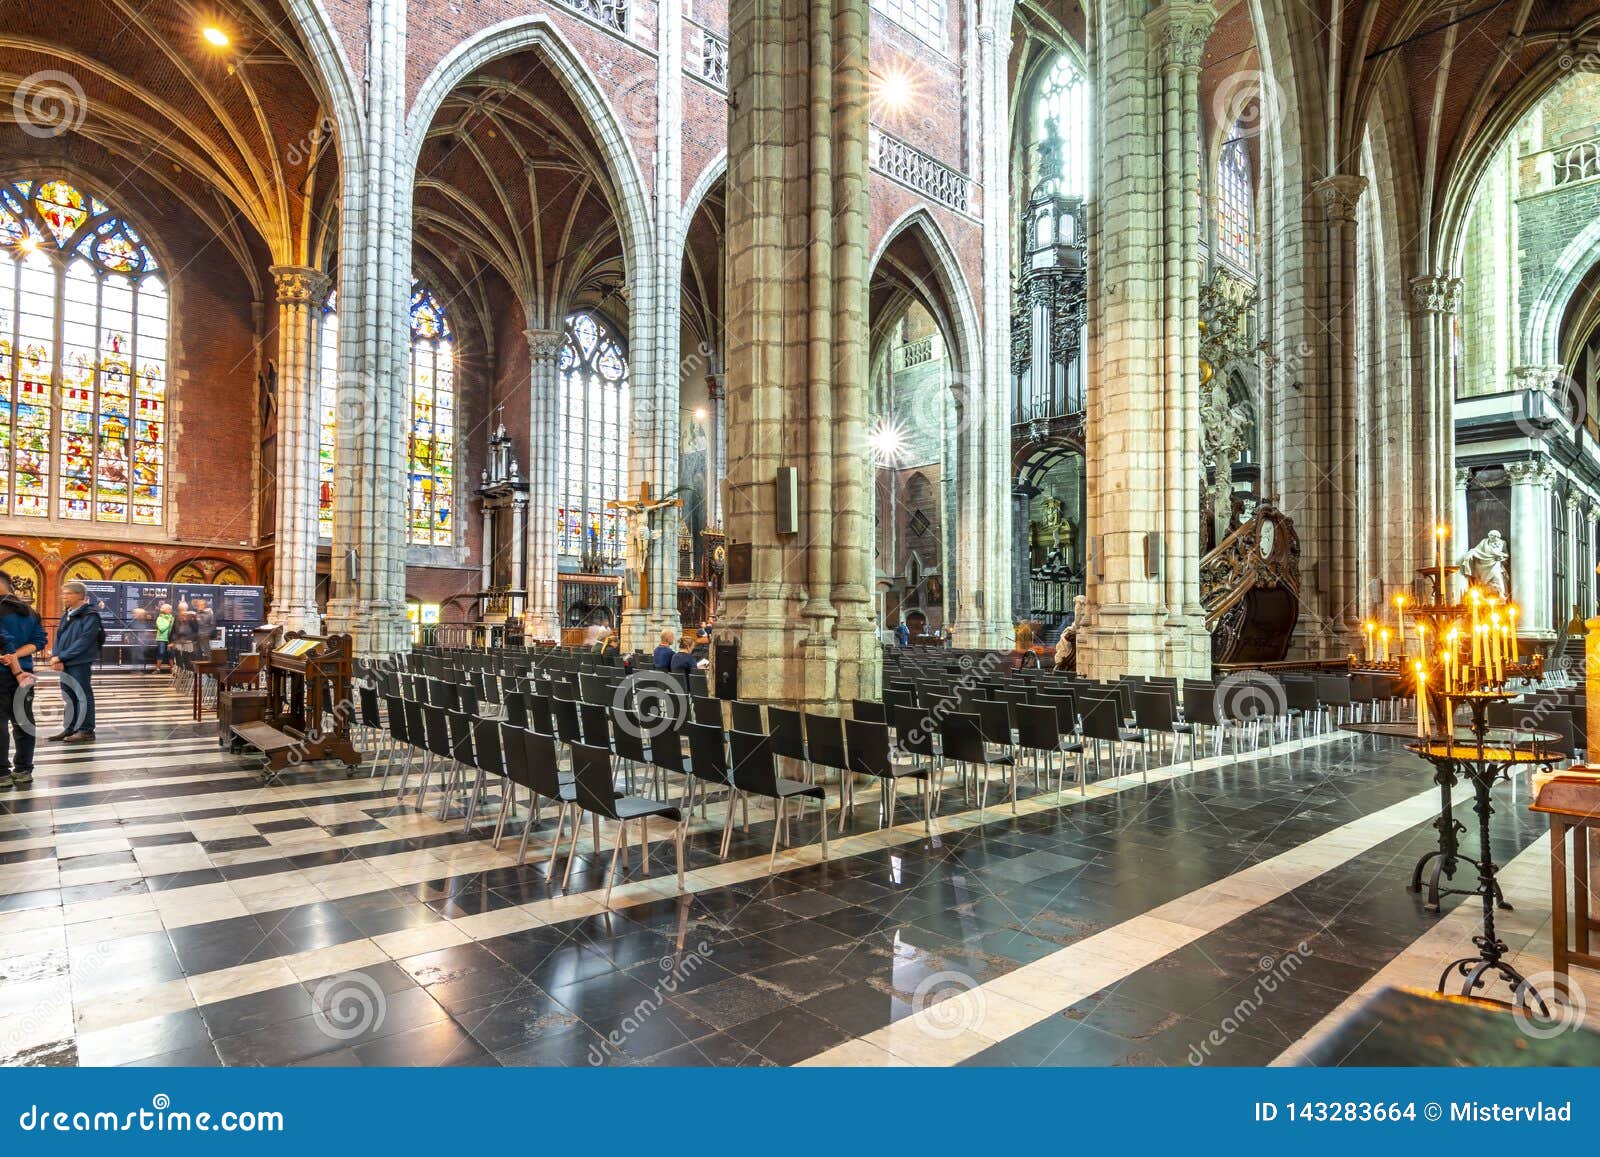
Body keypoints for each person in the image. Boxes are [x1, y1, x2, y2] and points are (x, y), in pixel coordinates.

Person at [0, 574, 46, 790]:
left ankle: (2, 773)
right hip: (25, 673)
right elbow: (39, 641)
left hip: (6, 673)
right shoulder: (29, 611)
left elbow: (4, 641)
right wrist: (17, 659)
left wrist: (13, 663)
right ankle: (23, 769)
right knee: (24, 721)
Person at [49, 580, 104, 743]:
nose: (64, 597)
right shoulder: (67, 613)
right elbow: (59, 637)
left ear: (80, 595)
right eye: (63, 593)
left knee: (82, 695)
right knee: (68, 695)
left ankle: (86, 730)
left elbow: (84, 641)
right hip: (65, 661)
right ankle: (70, 728)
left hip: (80, 661)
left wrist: (61, 657)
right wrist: (56, 656)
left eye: (68, 594)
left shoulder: (90, 615)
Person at [154, 602, 174, 672]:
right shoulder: (159, 618)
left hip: (170, 639)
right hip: (161, 639)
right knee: (161, 653)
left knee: (170, 653)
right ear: (164, 610)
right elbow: (161, 628)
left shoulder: (172, 618)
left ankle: (173, 669)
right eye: (169, 609)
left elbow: (173, 628)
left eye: (171, 609)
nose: (170, 610)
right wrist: (168, 622)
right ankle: (158, 669)